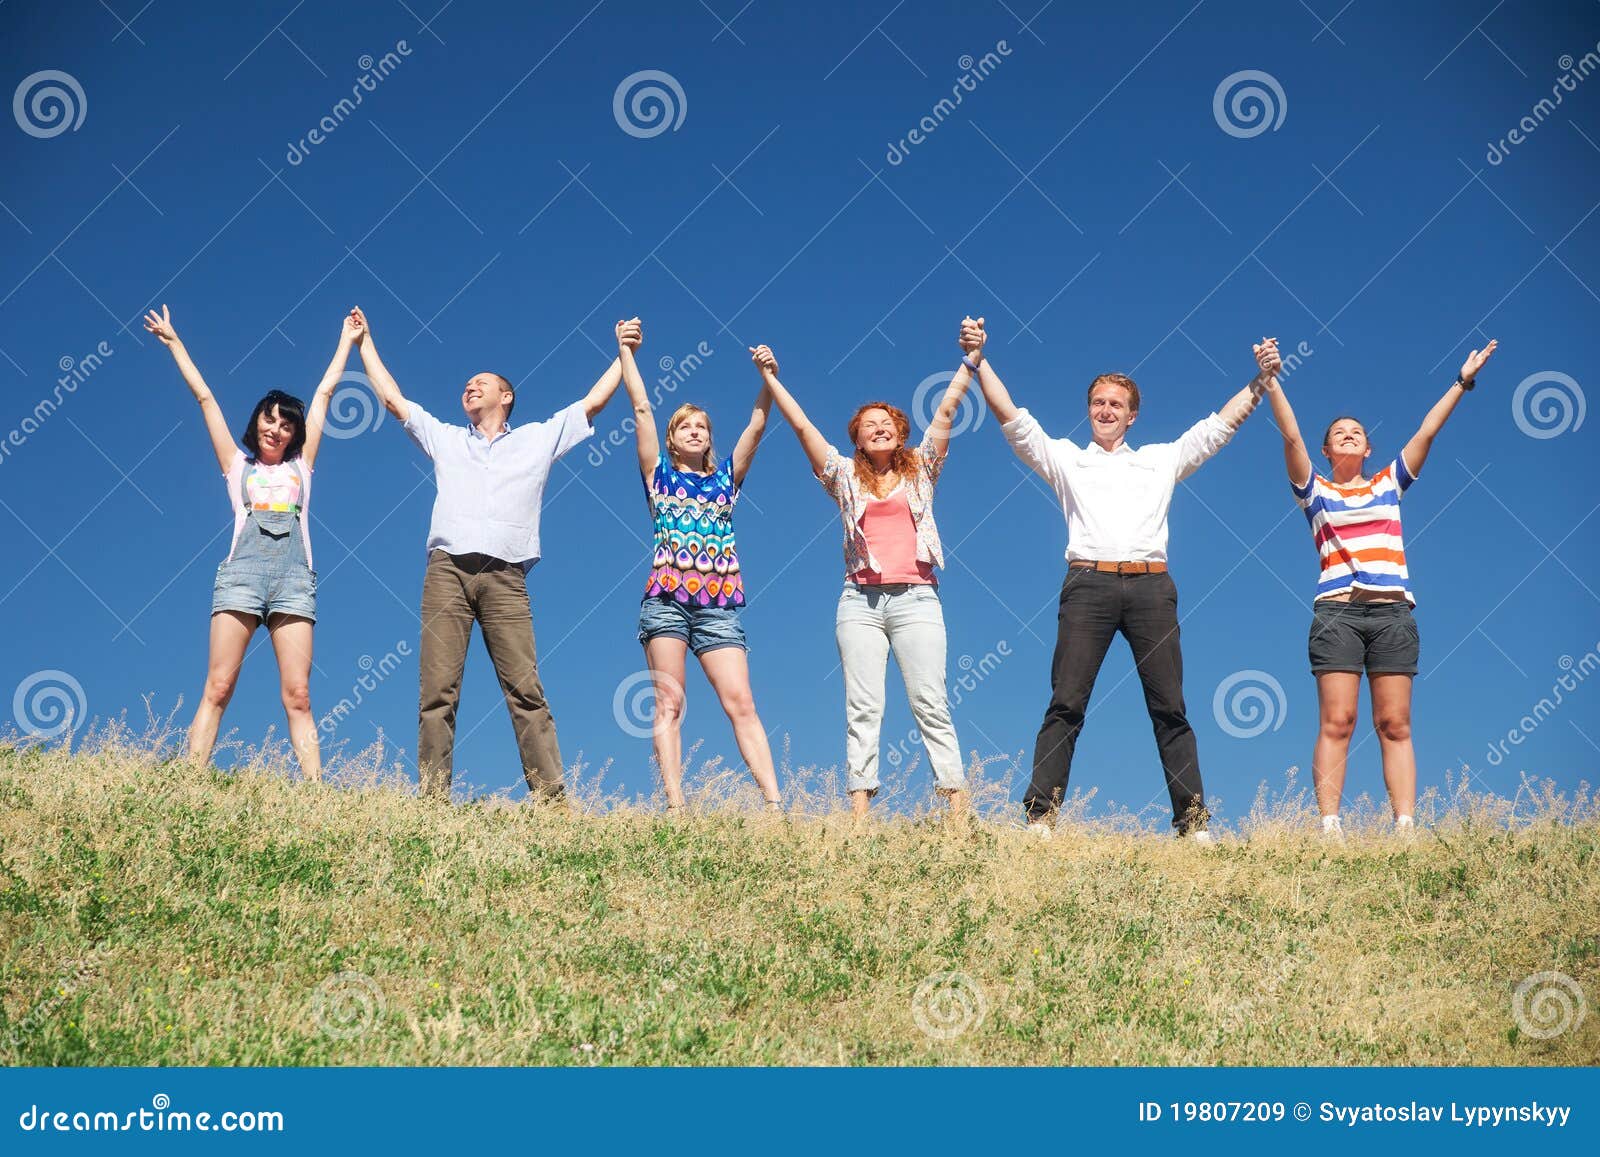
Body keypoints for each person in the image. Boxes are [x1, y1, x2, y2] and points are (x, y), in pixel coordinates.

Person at [962, 317, 1270, 841]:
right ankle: (1041, 819)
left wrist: (1260, 382)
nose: (1105, 411)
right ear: (1089, 409)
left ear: (1132, 416)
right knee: (1066, 701)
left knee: (1169, 706)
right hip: (1088, 587)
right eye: (1098, 402)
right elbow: (1011, 418)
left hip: (1152, 588)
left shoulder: (1159, 460)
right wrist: (978, 359)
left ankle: (1193, 825)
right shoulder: (1067, 460)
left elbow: (1218, 427)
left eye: (1116, 405)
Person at [350, 305, 629, 802]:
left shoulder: (538, 438)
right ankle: (433, 803)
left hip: (505, 578)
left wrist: (624, 352)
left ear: (507, 396)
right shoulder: (447, 438)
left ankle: (551, 803)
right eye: (466, 385)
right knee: (437, 693)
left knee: (526, 692)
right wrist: (363, 341)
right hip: (447, 573)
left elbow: (593, 403)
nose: (469, 387)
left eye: (481, 382)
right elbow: (393, 400)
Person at [1256, 335, 1499, 837]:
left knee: (1395, 724)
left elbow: (1427, 431)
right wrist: (1271, 380)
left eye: (1357, 432)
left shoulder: (1389, 482)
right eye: (1338, 433)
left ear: (1368, 448)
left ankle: (1405, 827)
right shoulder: (1315, 491)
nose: (1348, 436)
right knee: (1338, 721)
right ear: (1327, 449)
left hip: (1392, 615)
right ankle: (1330, 827)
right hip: (1338, 614)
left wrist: (1462, 382)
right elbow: (1291, 438)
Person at [750, 330, 976, 819]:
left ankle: (958, 807)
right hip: (860, 604)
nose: (878, 428)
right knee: (863, 705)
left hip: (918, 600)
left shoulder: (922, 470)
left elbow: (945, 413)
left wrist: (969, 363)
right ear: (855, 438)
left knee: (930, 700)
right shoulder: (843, 477)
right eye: (867, 425)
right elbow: (804, 428)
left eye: (886, 422)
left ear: (899, 431)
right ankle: (859, 811)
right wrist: (771, 379)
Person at [143, 304, 361, 780]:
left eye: (286, 424)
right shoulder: (236, 467)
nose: (275, 429)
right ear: (257, 422)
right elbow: (205, 400)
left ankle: (317, 795)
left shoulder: (302, 468)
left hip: (293, 583)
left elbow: (324, 394)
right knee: (219, 687)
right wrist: (175, 342)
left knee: (298, 695)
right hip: (240, 579)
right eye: (269, 419)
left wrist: (347, 340)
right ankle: (188, 782)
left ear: (294, 434)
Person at [619, 322, 783, 812]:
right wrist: (626, 352)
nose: (695, 430)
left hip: (719, 609)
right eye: (686, 425)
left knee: (742, 703)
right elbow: (642, 409)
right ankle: (675, 806)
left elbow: (756, 425)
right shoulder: (659, 477)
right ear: (671, 439)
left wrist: (767, 377)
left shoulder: (725, 482)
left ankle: (775, 806)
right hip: (666, 603)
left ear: (710, 439)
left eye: (703, 427)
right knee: (670, 705)